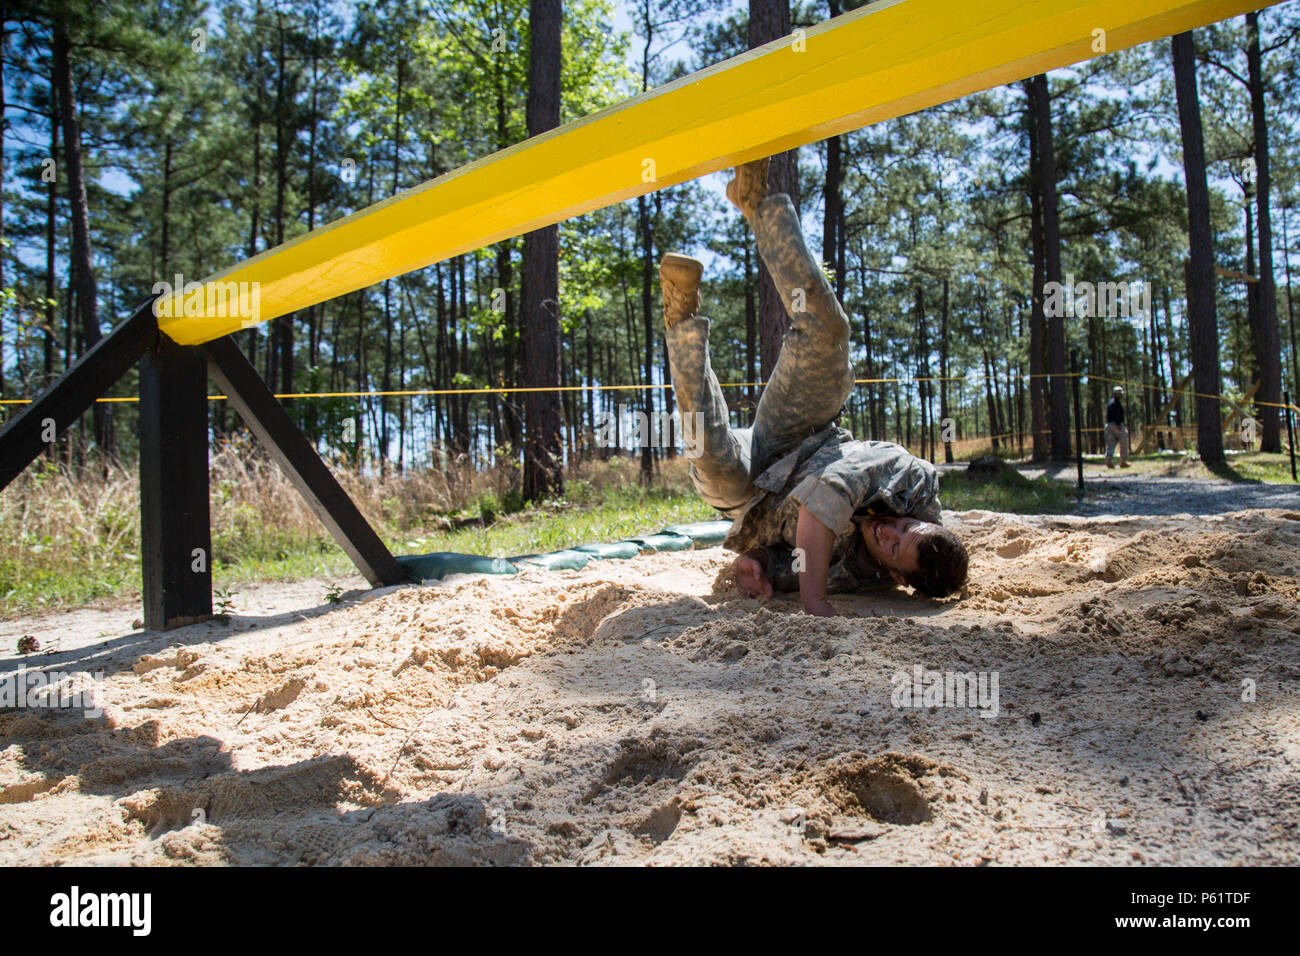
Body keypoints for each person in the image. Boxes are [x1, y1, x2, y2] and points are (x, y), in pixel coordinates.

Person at [660, 158, 968, 617]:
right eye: (907, 526)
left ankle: (680, 317)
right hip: (801, 437)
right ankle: (759, 203)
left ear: (898, 578)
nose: (891, 529)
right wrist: (814, 603)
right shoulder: (914, 481)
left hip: (750, 493)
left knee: (708, 452)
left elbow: (790, 561)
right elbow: (829, 493)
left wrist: (756, 562)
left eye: (896, 546)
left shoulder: (865, 576)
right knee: (828, 334)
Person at [1105, 385, 1131, 468]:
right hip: (1117, 425)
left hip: (1109, 425)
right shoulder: (1116, 403)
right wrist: (1119, 424)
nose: (1121, 395)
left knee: (1111, 443)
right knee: (1124, 440)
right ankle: (1123, 461)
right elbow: (1117, 415)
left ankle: (1108, 460)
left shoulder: (1110, 402)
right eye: (1120, 394)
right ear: (1116, 394)